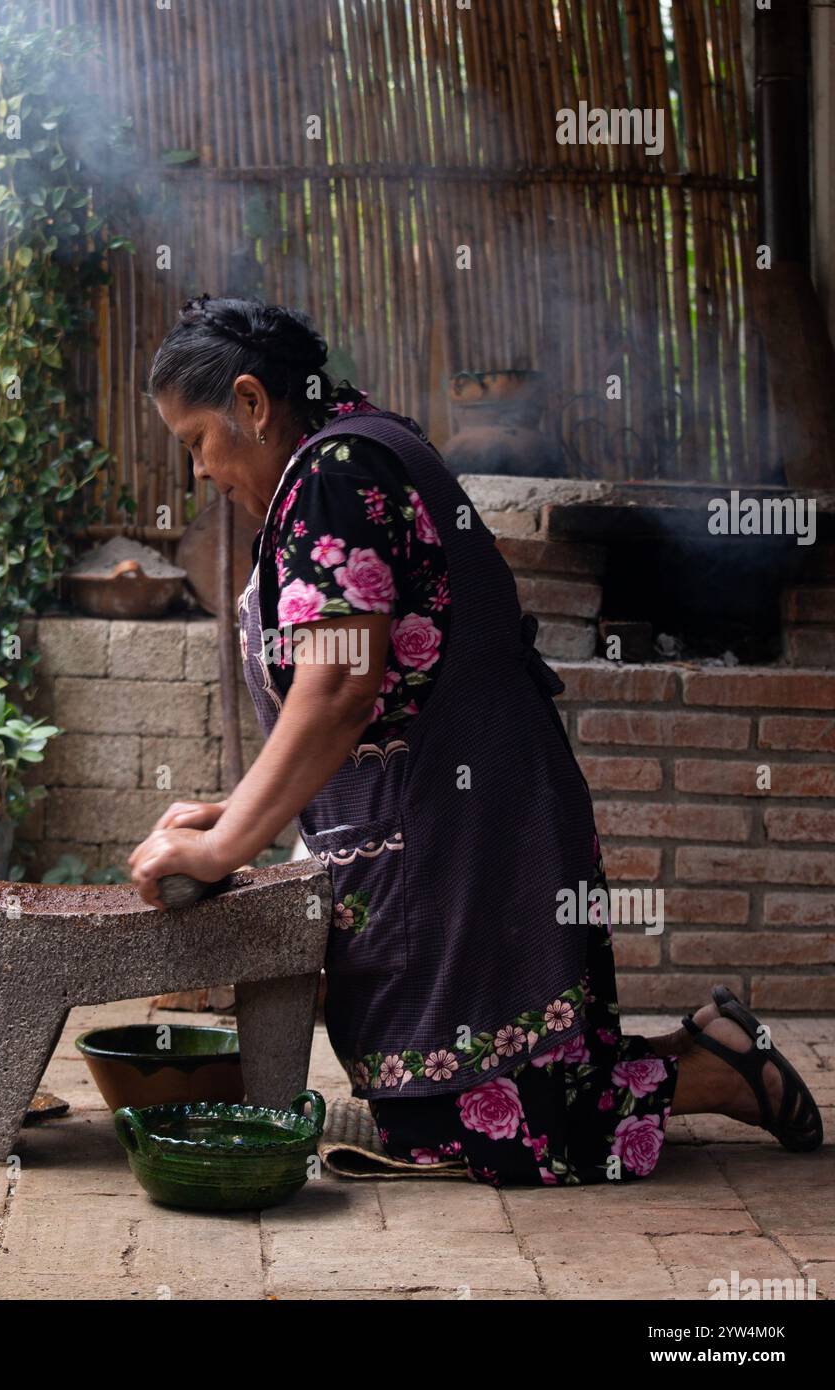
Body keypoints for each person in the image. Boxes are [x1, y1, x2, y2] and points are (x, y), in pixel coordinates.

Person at [129, 294, 823, 1185]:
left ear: (253, 404)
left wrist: (230, 842)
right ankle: (712, 1045)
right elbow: (373, 687)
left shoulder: (334, 474)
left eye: (195, 441)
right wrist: (241, 800)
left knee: (494, 1126)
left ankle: (720, 1070)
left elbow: (340, 680)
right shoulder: (359, 444)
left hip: (466, 831)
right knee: (464, 1096)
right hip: (469, 814)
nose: (198, 472)